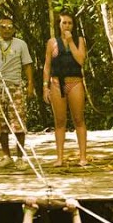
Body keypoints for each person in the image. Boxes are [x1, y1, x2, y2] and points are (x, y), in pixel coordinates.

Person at [0, 14, 36, 159]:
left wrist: (30, 85)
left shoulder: (20, 44)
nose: (6, 30)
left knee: (18, 123)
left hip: (15, 86)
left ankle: (20, 158)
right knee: (0, 124)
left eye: (10, 27)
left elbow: (27, 66)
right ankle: (6, 157)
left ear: (14, 29)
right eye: (3, 27)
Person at [43, 12, 88, 166]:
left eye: (70, 23)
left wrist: (70, 42)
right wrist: (45, 87)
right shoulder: (52, 42)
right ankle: (60, 158)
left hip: (75, 83)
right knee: (60, 121)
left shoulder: (79, 40)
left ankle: (83, 157)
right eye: (64, 23)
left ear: (73, 26)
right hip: (56, 84)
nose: (67, 25)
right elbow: (47, 65)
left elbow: (81, 60)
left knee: (79, 120)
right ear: (59, 25)